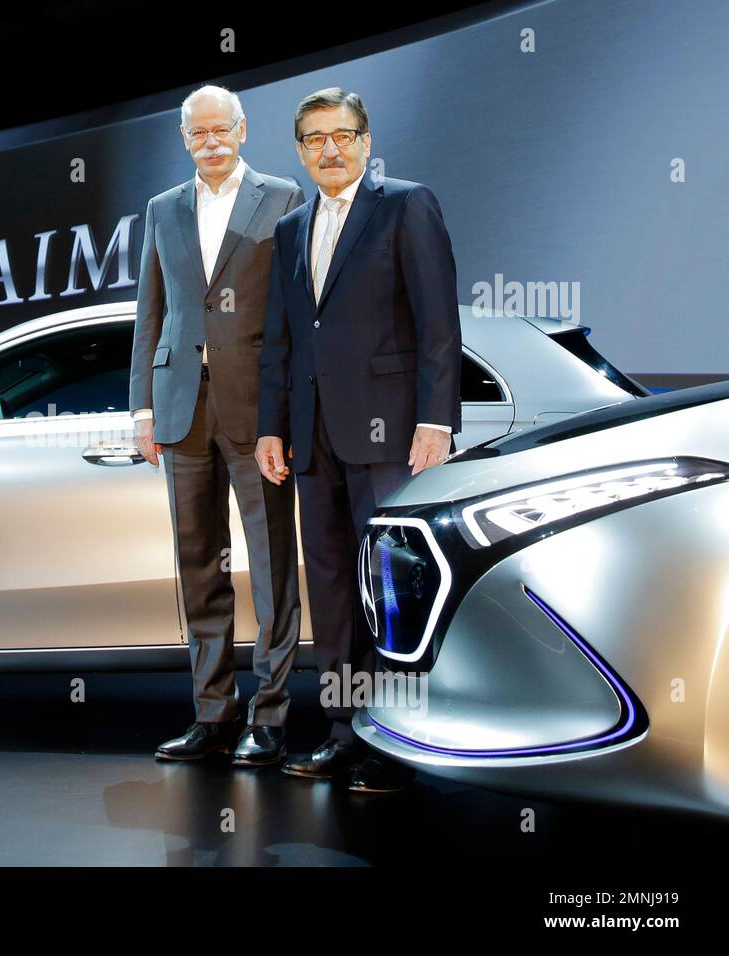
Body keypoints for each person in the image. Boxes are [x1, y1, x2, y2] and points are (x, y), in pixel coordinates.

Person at [256, 88, 462, 792]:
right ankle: (345, 732)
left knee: (394, 595)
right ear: (300, 151)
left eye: (342, 135)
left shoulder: (407, 205)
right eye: (314, 139)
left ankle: (399, 743)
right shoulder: (289, 230)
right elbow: (281, 341)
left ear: (367, 142)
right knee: (335, 594)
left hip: (392, 438)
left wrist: (437, 420)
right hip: (313, 441)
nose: (329, 150)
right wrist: (270, 428)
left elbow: (439, 323)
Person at [130, 84, 306, 767]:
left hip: (257, 411)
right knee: (197, 567)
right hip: (181, 411)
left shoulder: (282, 196)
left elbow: (295, 312)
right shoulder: (161, 210)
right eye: (196, 133)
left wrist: (287, 412)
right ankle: (212, 714)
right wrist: (143, 407)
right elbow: (151, 311)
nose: (209, 141)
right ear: (184, 140)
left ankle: (271, 718)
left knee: (271, 570)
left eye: (219, 129)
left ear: (241, 129)